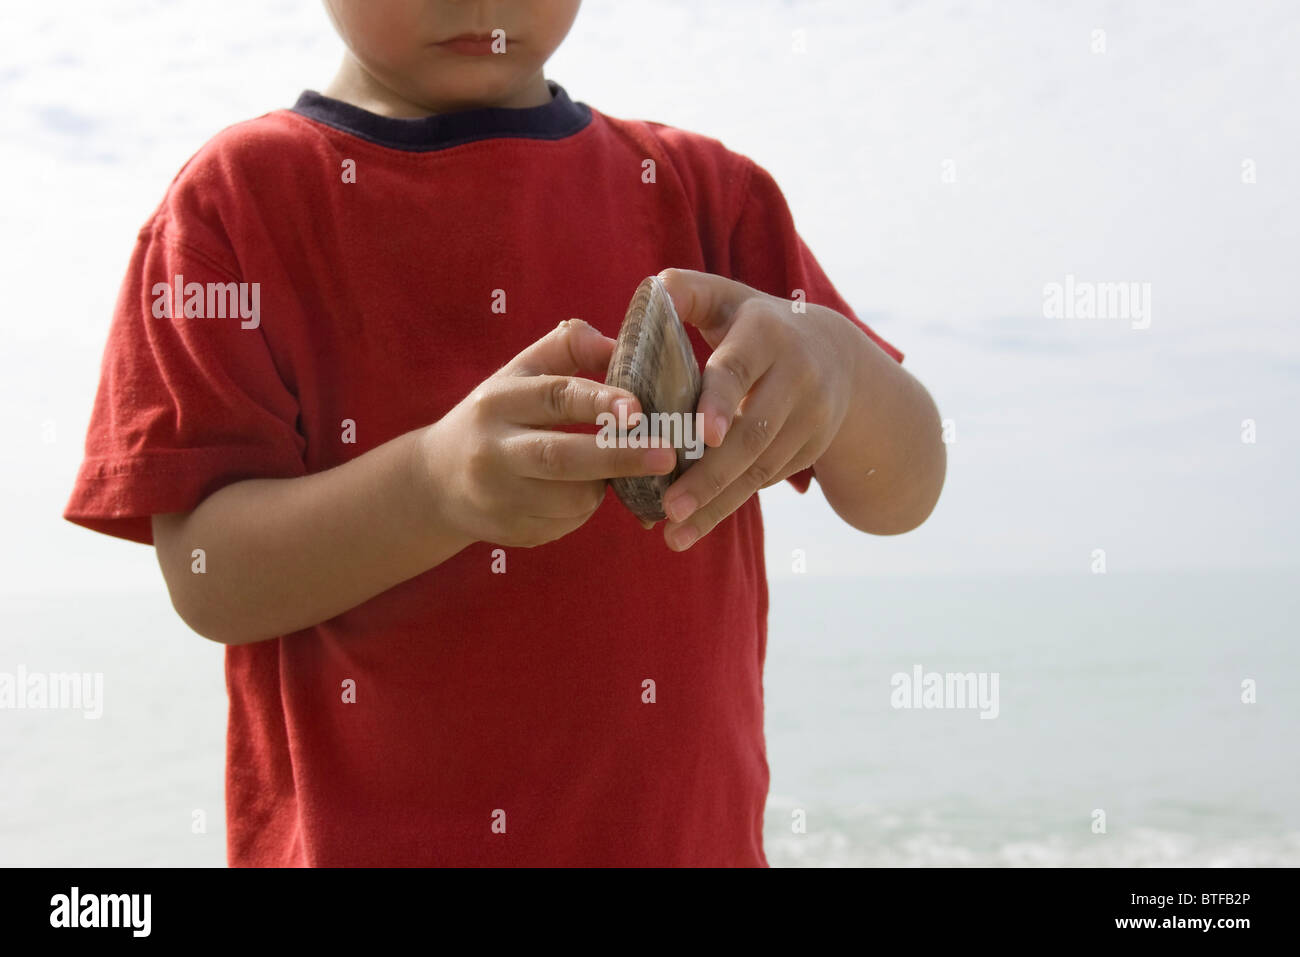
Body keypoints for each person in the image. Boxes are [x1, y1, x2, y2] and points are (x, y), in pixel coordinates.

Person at [64, 0, 945, 866]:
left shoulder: (708, 195)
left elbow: (905, 489)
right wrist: (432, 488)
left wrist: (840, 368)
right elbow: (210, 579)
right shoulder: (235, 207)